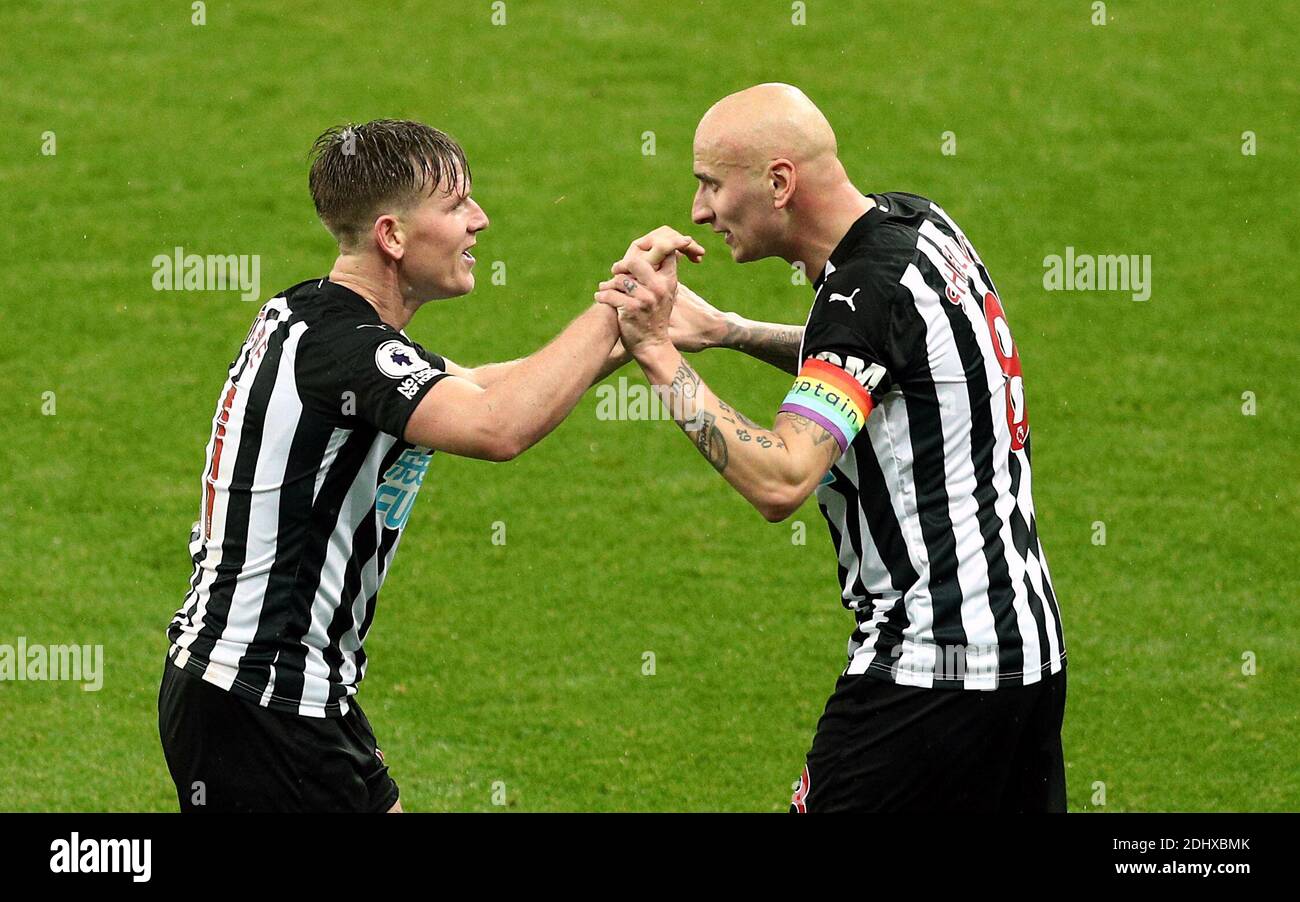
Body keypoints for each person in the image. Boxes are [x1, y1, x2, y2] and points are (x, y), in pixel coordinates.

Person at [157, 118, 796, 812]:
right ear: (393, 237)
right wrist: (621, 300)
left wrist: (648, 333)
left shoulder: (311, 317)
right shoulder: (349, 352)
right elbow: (500, 426)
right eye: (457, 204)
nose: (480, 221)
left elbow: (489, 389)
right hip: (262, 701)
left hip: (273, 690)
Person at [599, 84, 1068, 812]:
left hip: (928, 671)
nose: (699, 210)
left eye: (712, 185)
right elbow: (881, 364)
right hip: (1027, 654)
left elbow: (782, 478)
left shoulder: (864, 293)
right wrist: (728, 330)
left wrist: (659, 354)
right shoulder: (916, 224)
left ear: (779, 183)